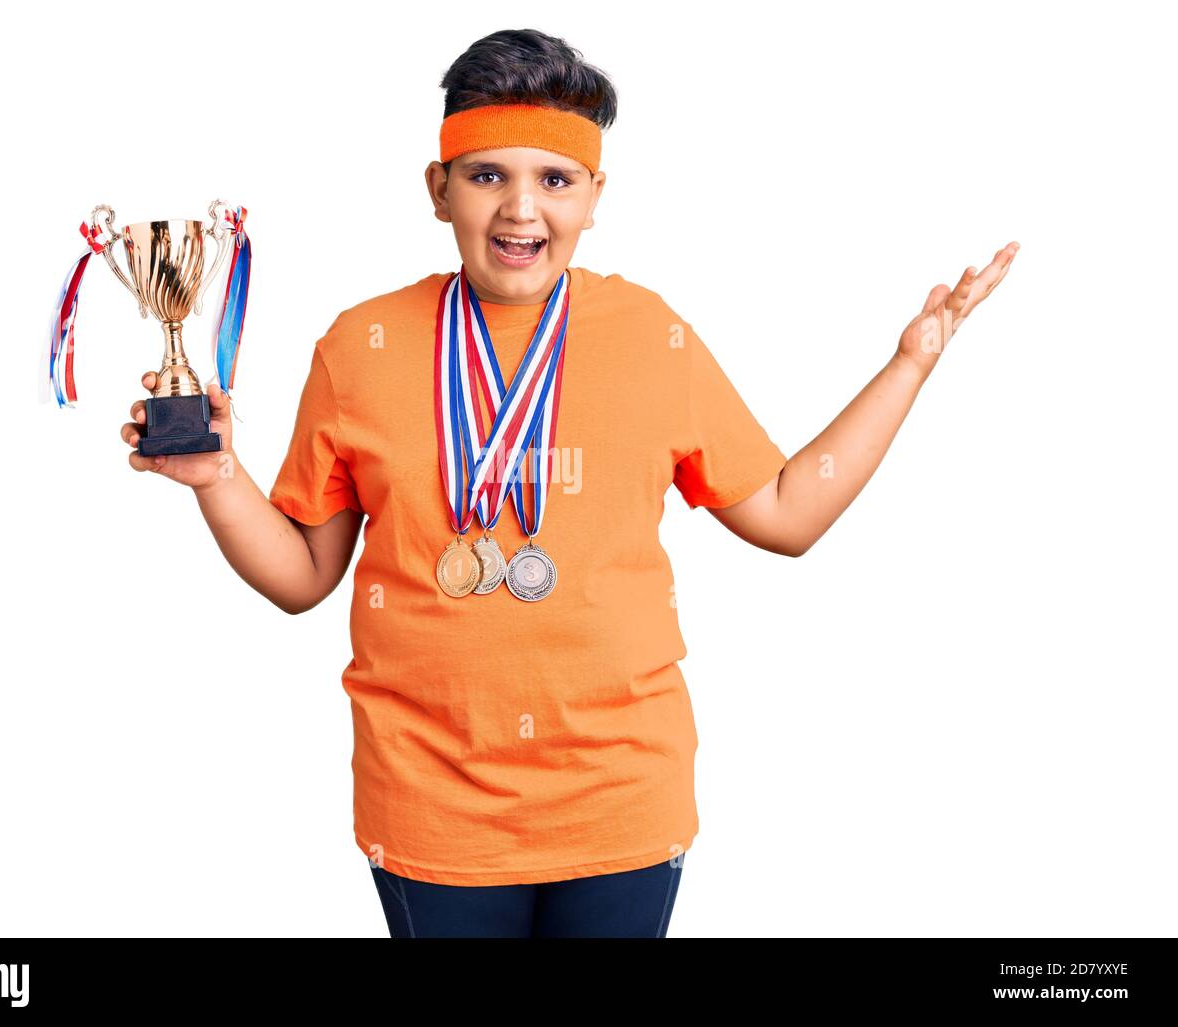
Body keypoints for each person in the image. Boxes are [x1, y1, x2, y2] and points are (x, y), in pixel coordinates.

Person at [119, 28, 1017, 938]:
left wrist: (910, 364)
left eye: (555, 179)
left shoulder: (649, 336)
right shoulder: (361, 346)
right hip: (433, 806)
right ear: (438, 190)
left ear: (594, 197)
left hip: (620, 800)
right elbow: (305, 575)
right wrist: (216, 476)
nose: (520, 210)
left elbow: (787, 512)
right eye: (486, 175)